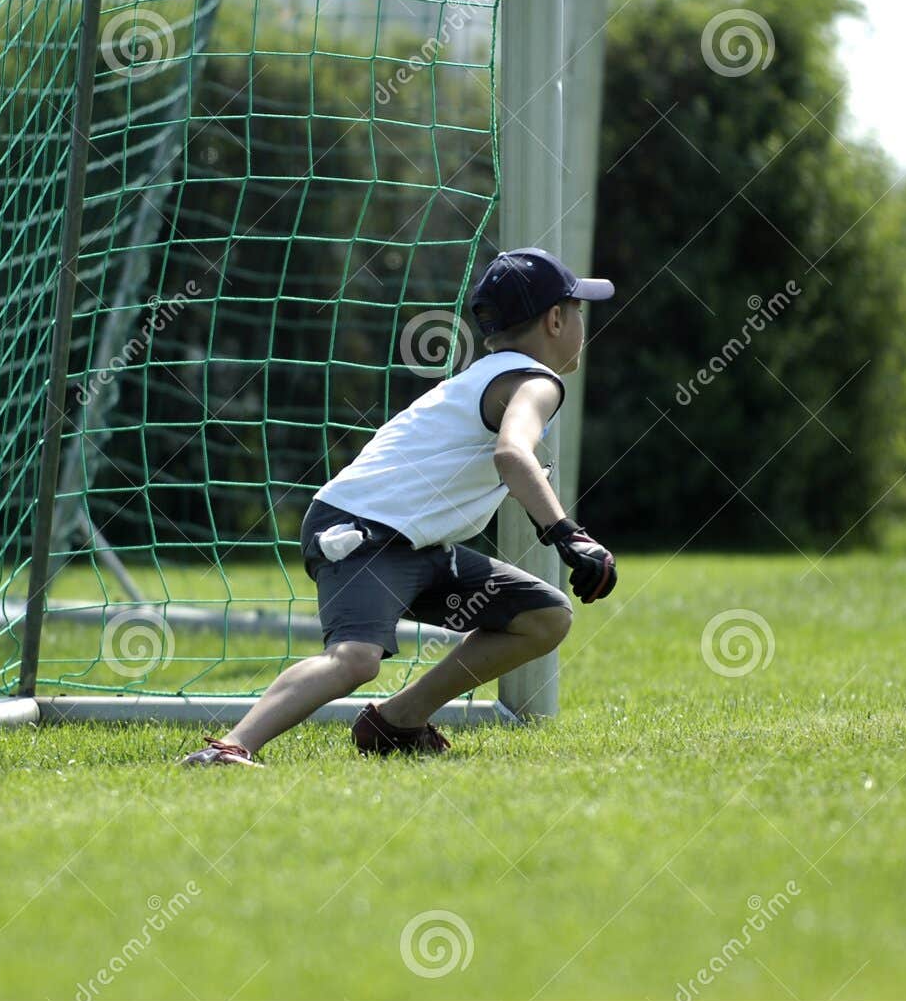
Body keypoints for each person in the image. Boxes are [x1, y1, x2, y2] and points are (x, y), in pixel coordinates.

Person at [180, 248, 618, 767]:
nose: (582, 322)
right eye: (578, 309)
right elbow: (511, 455)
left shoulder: (488, 374)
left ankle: (396, 722)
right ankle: (231, 749)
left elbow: (508, 462)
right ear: (554, 319)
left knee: (544, 616)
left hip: (415, 546)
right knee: (355, 660)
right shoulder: (536, 382)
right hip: (362, 533)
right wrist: (568, 534)